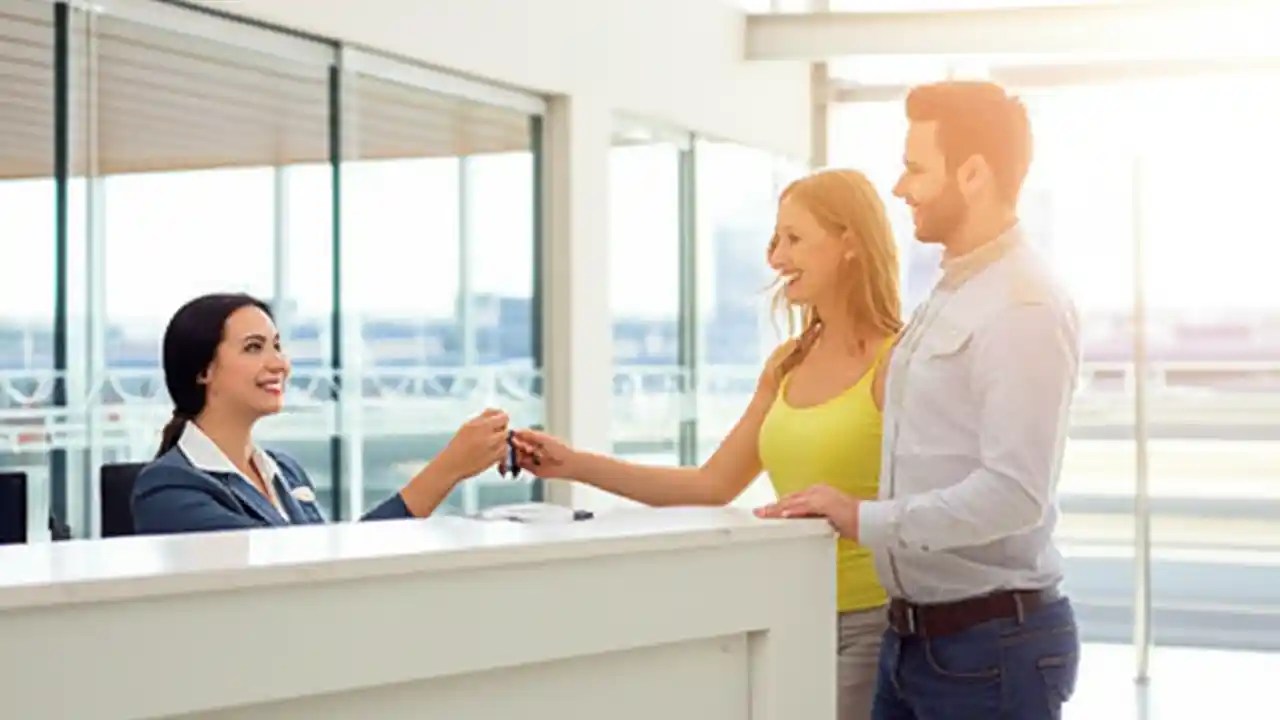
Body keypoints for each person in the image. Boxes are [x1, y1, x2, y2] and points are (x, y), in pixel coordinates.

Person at [508, 169, 903, 720]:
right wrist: (573, 464)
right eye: (775, 239)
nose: (775, 257)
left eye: (794, 238)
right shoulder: (787, 363)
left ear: (850, 243)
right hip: (787, 610)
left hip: (871, 622)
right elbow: (711, 484)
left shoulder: (899, 362)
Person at [757, 81, 1081, 719]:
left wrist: (864, 518)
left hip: (989, 648)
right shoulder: (952, 291)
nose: (900, 187)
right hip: (912, 641)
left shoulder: (1023, 305)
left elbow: (1017, 492)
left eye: (914, 168)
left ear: (973, 174)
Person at [132, 293, 509, 534]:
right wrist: (447, 469)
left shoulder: (285, 470)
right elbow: (296, 573)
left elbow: (337, 562)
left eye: (277, 346)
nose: (279, 363)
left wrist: (454, 469)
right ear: (203, 371)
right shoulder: (169, 489)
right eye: (254, 348)